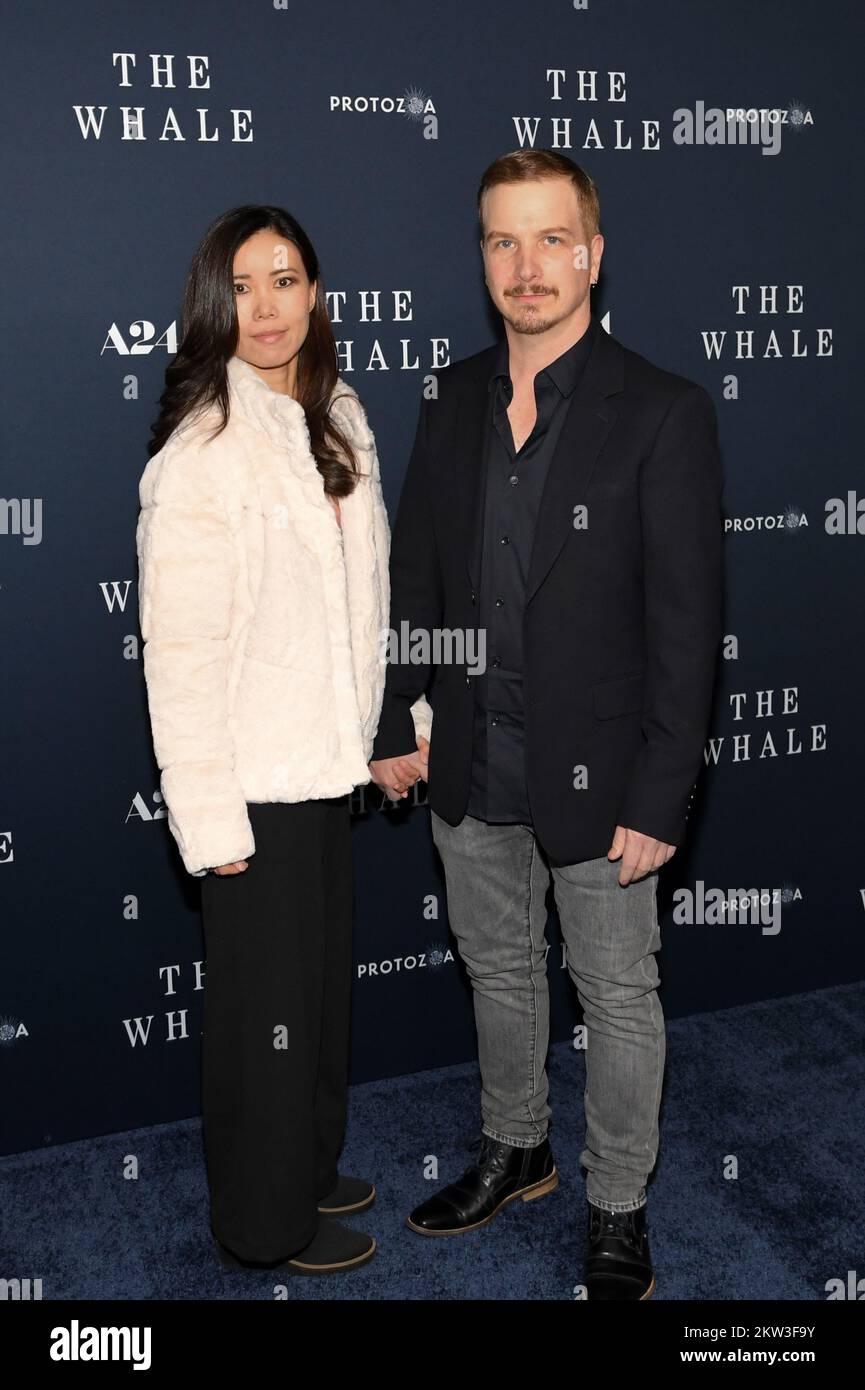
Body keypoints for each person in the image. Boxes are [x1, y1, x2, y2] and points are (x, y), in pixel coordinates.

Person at [369, 150, 724, 1300]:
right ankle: (514, 1147)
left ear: (594, 254)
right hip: (473, 748)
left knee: (618, 996)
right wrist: (395, 712)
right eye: (501, 242)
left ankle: (617, 1205)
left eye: (550, 240)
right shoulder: (451, 393)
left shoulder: (662, 411)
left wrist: (662, 791)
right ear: (481, 257)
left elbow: (686, 622)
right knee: (500, 968)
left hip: (607, 769)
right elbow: (416, 572)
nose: (527, 267)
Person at [136, 204, 431, 1275]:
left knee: (309, 998)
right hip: (251, 780)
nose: (267, 306)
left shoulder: (337, 415)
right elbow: (180, 655)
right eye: (245, 285)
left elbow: (367, 601)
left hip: (322, 765)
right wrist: (208, 814)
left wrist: (393, 729)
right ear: (216, 304)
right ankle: (263, 1225)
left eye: (287, 279)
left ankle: (305, 1165)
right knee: (259, 1018)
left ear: (316, 295)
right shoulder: (202, 453)